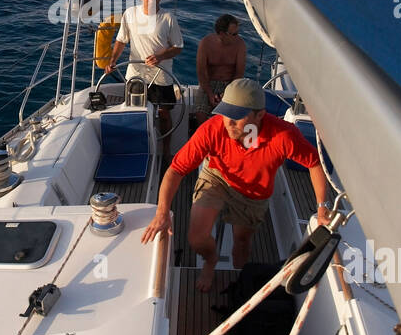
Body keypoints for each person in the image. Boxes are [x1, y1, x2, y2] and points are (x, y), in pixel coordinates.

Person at [141, 78, 329, 292]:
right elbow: (176, 170)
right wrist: (162, 212)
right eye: (225, 112)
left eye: (237, 116)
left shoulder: (284, 135)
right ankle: (210, 261)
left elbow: (314, 163)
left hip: (254, 191)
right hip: (217, 177)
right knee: (196, 237)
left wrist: (322, 207)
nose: (228, 122)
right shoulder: (212, 129)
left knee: (241, 243)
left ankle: (241, 277)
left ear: (259, 115)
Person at [104, 0, 183, 149]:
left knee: (163, 114)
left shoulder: (168, 18)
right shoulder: (130, 13)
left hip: (161, 76)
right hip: (135, 74)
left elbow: (178, 47)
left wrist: (161, 56)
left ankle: (166, 150)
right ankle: (134, 147)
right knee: (134, 111)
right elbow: (121, 41)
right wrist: (112, 61)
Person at [194, 14, 246, 126]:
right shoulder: (206, 43)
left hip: (231, 84)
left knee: (229, 118)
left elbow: (239, 73)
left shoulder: (240, 44)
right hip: (208, 84)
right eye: (233, 34)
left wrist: (226, 93)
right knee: (200, 114)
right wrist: (210, 94)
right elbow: (201, 72)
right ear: (222, 33)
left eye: (237, 33)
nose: (236, 37)